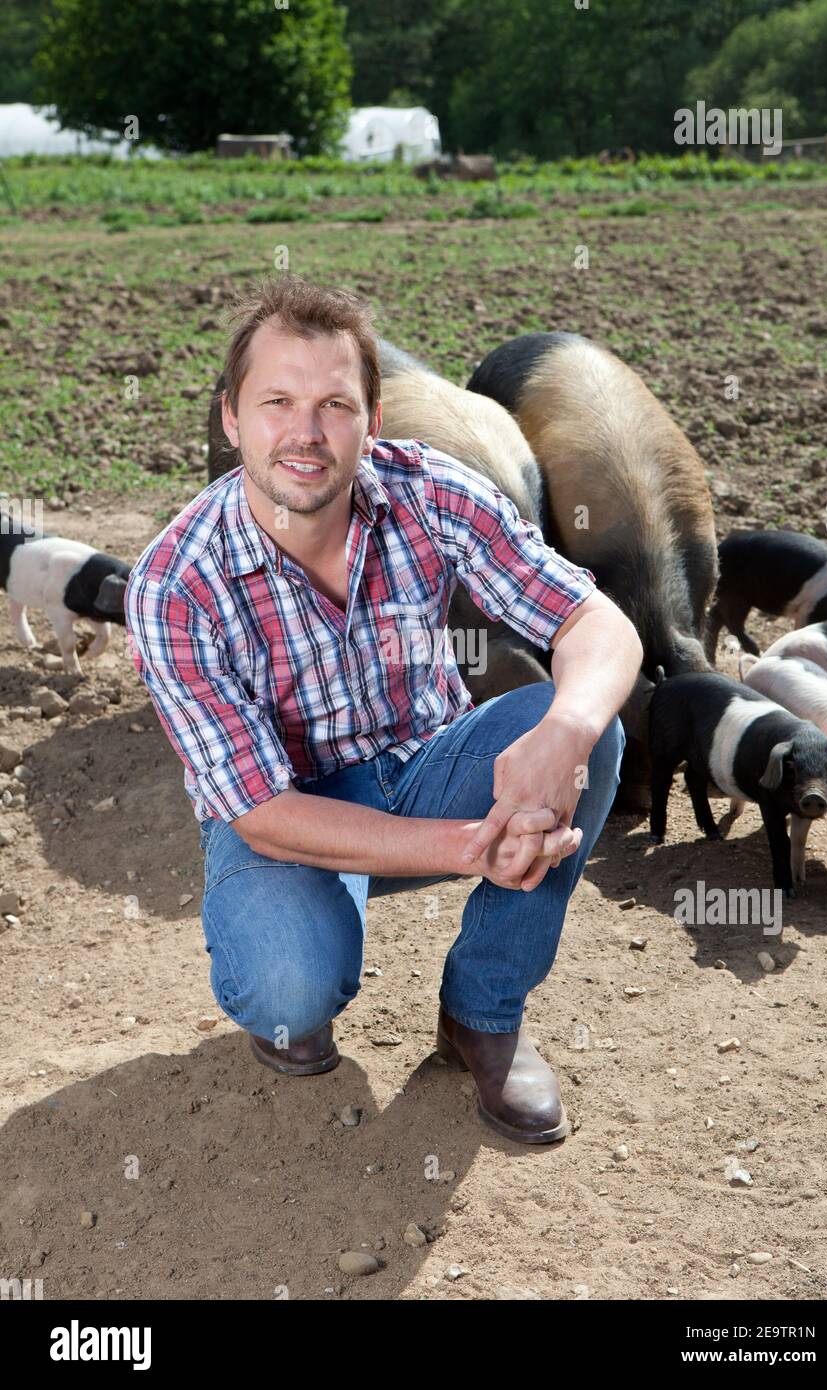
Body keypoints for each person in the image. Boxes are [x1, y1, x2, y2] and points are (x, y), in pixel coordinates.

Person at [125, 273, 642, 1145]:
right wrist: (474, 847)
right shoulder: (175, 584)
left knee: (588, 728)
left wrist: (567, 730)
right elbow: (260, 810)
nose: (305, 432)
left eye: (335, 403)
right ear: (230, 418)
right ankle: (312, 942)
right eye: (277, 401)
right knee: (289, 991)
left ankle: (482, 1012)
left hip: (427, 765)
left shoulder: (428, 492)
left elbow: (595, 621)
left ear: (372, 417)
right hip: (286, 811)